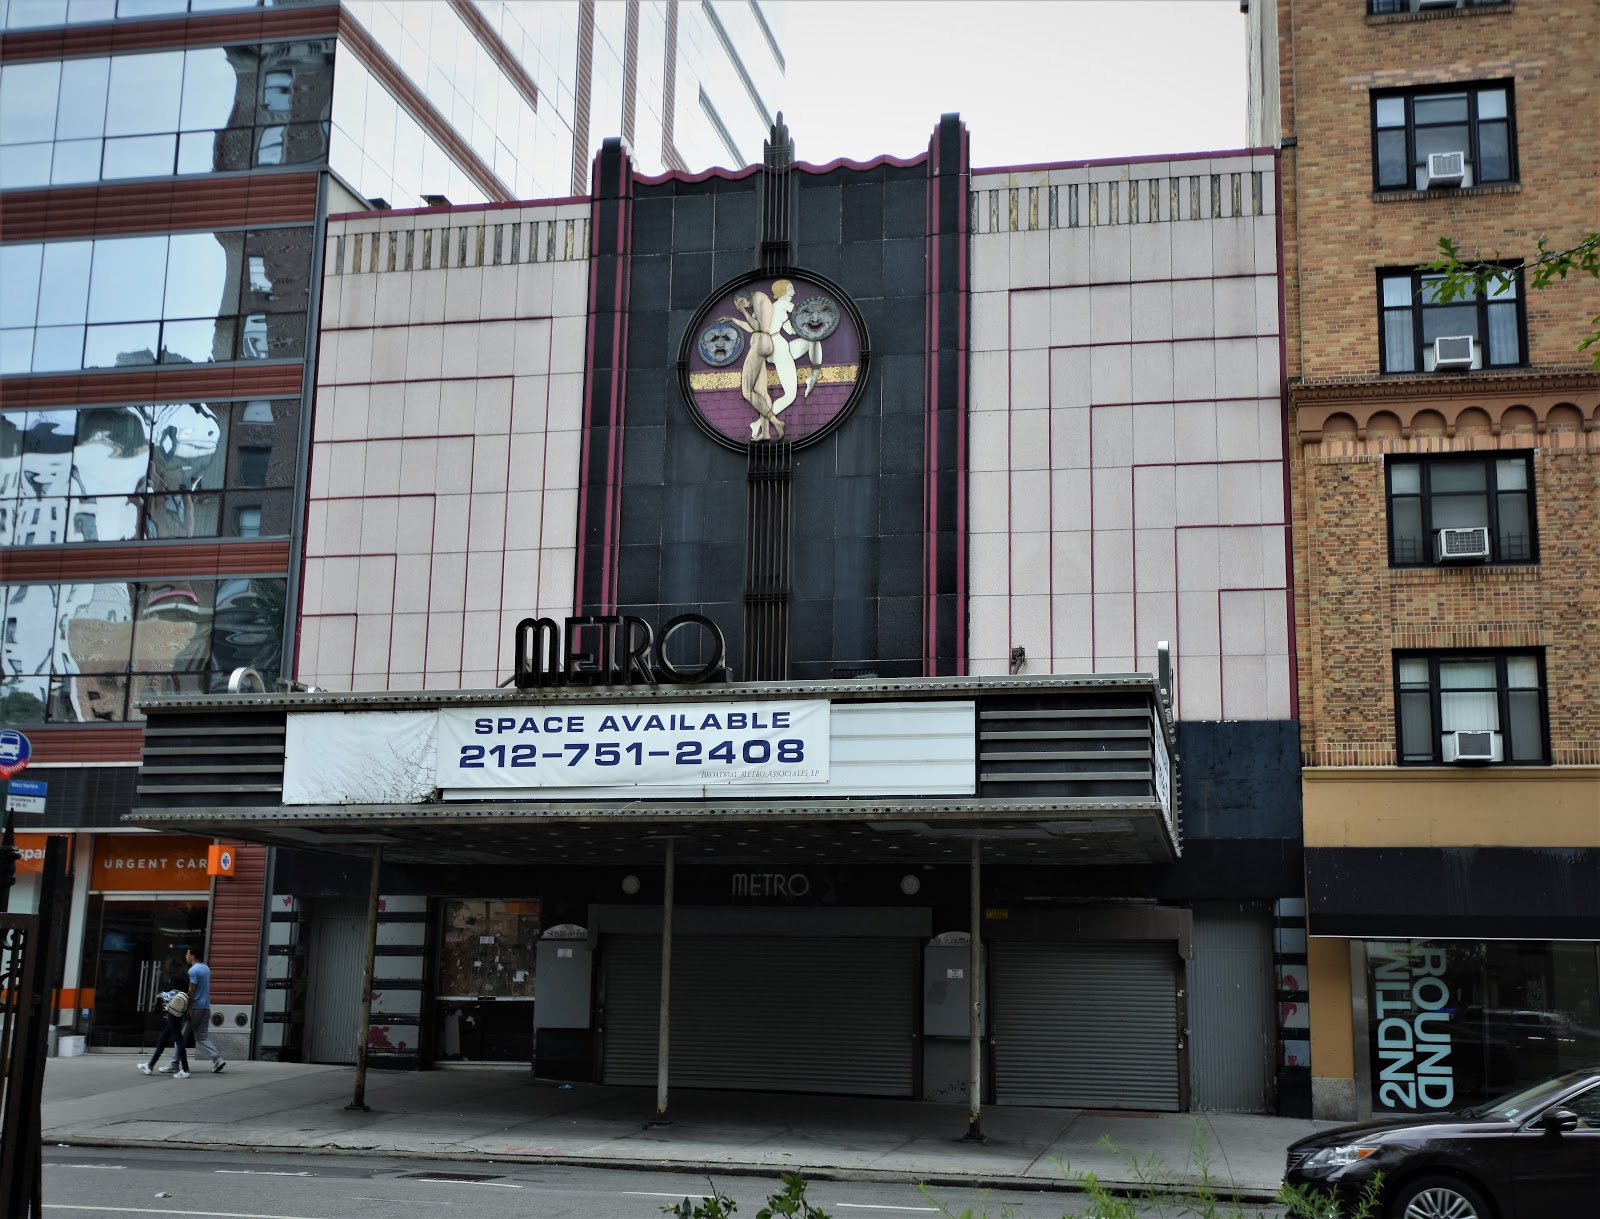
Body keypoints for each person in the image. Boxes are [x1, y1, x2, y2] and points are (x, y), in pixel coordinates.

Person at [159, 947, 226, 1074]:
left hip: (194, 1007)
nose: (186, 956)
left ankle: (174, 1064)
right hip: (205, 1007)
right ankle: (217, 1059)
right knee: (202, 1036)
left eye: (188, 954)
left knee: (180, 1036)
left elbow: (192, 990)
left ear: (193, 956)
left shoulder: (193, 971)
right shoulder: (206, 969)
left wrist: (188, 1008)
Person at [140, 974, 190, 1079]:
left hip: (173, 1015)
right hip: (177, 1014)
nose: (186, 956)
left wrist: (161, 995)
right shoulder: (183, 980)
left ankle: (185, 1069)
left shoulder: (175, 979)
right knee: (163, 1040)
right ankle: (150, 1066)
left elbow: (171, 995)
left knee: (178, 1040)